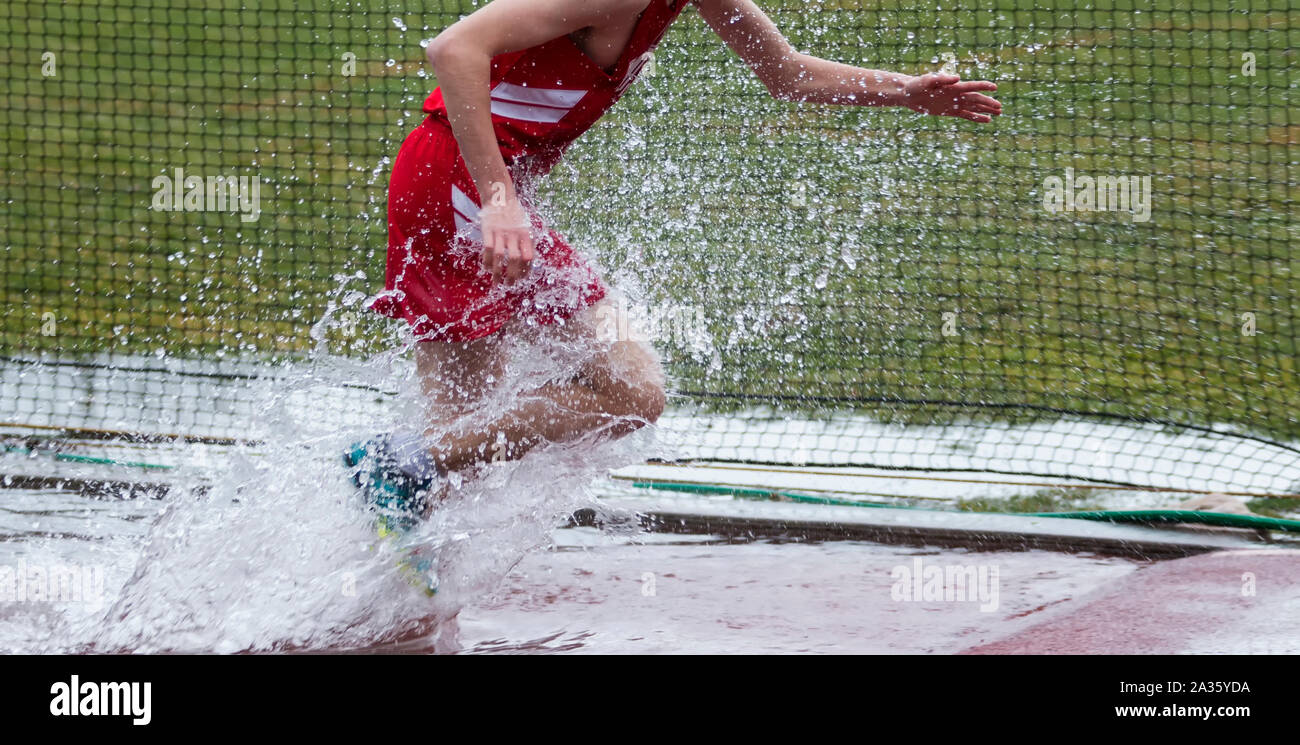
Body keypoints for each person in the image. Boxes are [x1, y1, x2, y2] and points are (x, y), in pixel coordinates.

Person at [348, 0, 1003, 525]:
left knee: (456, 445)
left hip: (448, 187)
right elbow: (453, 48)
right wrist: (498, 199)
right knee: (631, 391)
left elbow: (786, 72)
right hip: (463, 192)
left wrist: (908, 92)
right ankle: (400, 462)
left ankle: (397, 584)